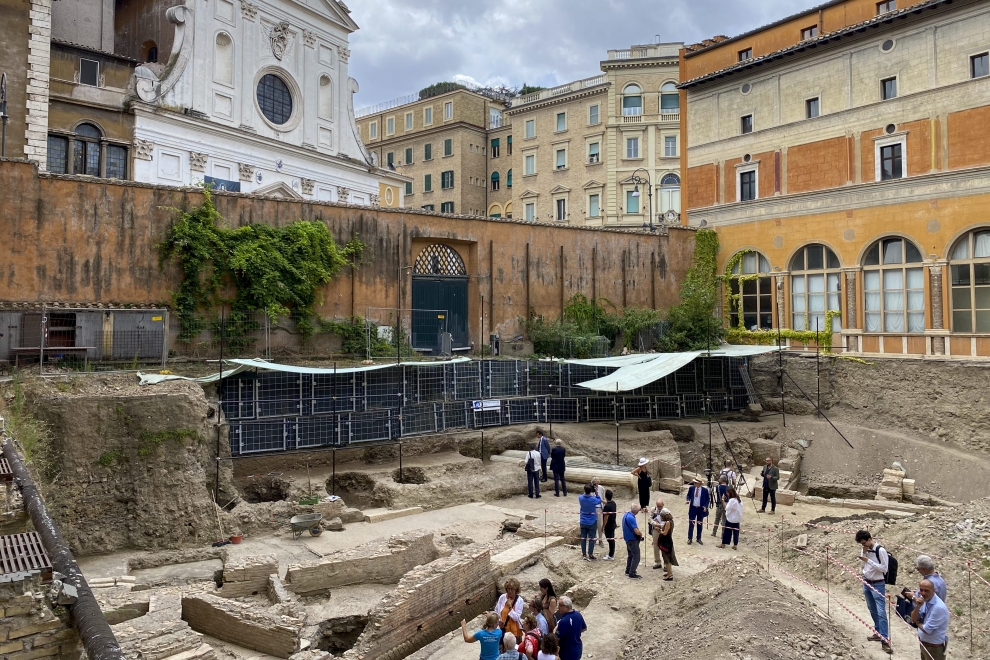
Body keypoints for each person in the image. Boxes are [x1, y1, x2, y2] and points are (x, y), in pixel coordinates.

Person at [856, 529, 892, 654]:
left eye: (864, 542)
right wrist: (864, 556)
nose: (863, 545)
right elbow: (863, 565)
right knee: (872, 608)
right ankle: (878, 632)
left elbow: (884, 568)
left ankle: (885, 639)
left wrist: (868, 560)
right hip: (867, 582)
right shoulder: (864, 550)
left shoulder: (880, 550)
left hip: (877, 583)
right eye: (861, 544)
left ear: (870, 539)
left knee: (881, 611)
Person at [911, 578, 950, 660]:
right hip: (924, 644)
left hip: (934, 648)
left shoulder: (939, 607)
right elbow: (913, 619)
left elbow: (927, 629)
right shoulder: (924, 601)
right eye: (921, 590)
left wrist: (918, 623)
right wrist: (918, 606)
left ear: (934, 590)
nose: (923, 593)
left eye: (926, 590)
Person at [577, 484, 600, 561]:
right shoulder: (593, 499)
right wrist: (597, 494)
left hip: (583, 520)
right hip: (592, 521)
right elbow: (599, 500)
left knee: (583, 538)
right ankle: (590, 554)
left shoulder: (580, 498)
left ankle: (584, 553)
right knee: (591, 538)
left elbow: (582, 495)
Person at [685, 477, 709, 545]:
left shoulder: (705, 490)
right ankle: (690, 538)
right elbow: (688, 495)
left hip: (700, 509)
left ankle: (698, 538)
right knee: (691, 524)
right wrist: (687, 500)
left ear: (700, 483)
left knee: (699, 524)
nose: (694, 483)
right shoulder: (691, 488)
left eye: (696, 482)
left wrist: (706, 506)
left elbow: (707, 499)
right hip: (693, 508)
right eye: (694, 482)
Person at [622, 503, 643, 579]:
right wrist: (641, 535)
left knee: (630, 555)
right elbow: (636, 530)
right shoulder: (631, 518)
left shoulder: (626, 515)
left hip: (627, 538)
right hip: (632, 540)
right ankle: (632, 572)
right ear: (637, 511)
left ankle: (628, 570)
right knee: (636, 556)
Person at [657, 509, 677, 580]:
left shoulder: (668, 522)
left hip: (666, 542)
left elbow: (665, 533)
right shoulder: (671, 521)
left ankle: (669, 574)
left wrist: (659, 531)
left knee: (666, 559)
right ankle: (669, 572)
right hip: (668, 541)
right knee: (667, 558)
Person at [649, 498, 666, 569]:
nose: (659, 508)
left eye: (660, 506)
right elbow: (649, 519)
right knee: (656, 546)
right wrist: (655, 525)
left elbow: (668, 523)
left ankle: (666, 564)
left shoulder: (666, 511)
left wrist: (660, 526)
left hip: (663, 530)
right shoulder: (653, 510)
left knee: (664, 547)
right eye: (658, 506)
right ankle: (658, 562)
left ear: (663, 505)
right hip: (655, 530)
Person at [601, 489, 617, 561]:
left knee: (610, 540)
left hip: (608, 525)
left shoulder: (607, 507)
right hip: (613, 524)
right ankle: (611, 553)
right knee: (611, 539)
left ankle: (611, 555)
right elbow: (606, 502)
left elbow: (606, 518)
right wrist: (601, 500)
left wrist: (603, 526)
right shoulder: (613, 503)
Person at [591, 477, 606, 548]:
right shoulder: (589, 488)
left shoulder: (601, 488)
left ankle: (600, 539)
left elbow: (603, 498)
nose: (596, 485)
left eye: (597, 483)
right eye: (594, 483)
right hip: (592, 508)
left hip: (599, 508)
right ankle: (594, 539)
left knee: (600, 525)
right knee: (593, 524)